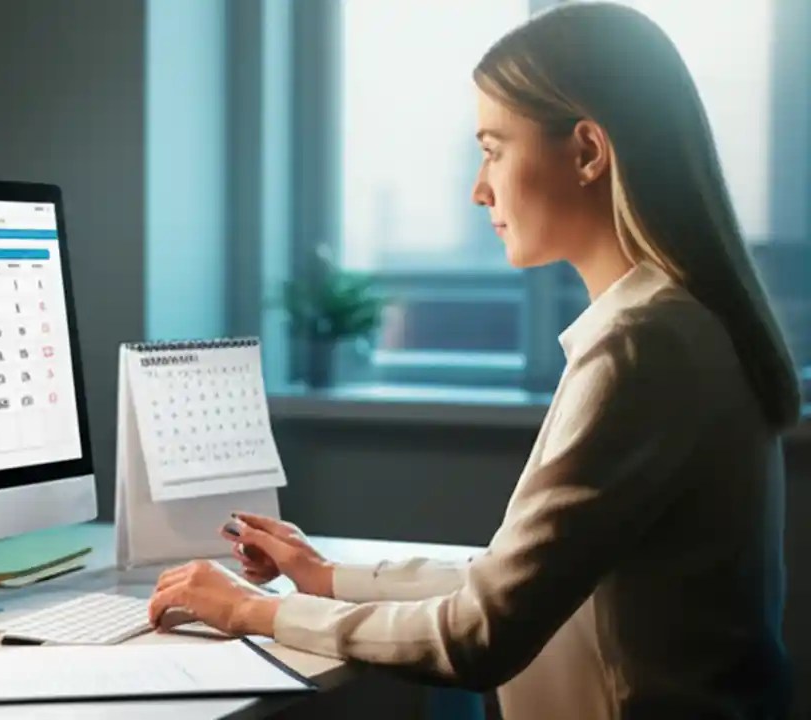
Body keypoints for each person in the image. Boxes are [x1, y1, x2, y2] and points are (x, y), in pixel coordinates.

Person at [147, 3, 802, 718]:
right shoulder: (673, 324)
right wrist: (324, 576)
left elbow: (479, 634)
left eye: (493, 148)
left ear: (586, 152)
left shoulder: (641, 347)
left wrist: (254, 613)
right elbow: (506, 582)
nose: (478, 187)